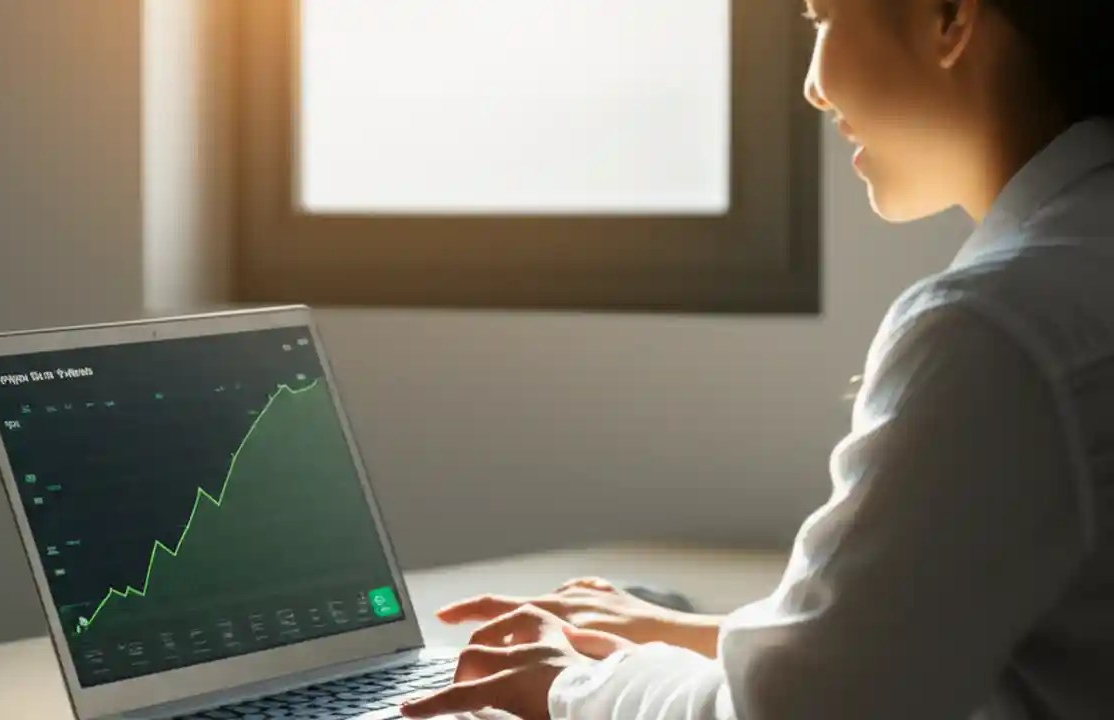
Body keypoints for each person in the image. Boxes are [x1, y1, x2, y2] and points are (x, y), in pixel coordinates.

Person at [400, 0, 1114, 718]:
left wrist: (571, 683)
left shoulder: (993, 329)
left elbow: (793, 713)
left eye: (821, 18)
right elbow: (976, 640)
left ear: (951, 17)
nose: (812, 85)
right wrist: (707, 638)